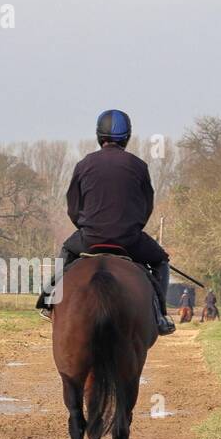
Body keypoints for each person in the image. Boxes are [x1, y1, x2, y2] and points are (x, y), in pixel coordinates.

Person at [38, 109, 176, 335]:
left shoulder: (84, 164)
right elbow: (146, 207)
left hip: (89, 238)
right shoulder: (139, 166)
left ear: (98, 135)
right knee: (161, 261)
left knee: (66, 250)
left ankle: (48, 299)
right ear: (127, 136)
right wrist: (133, 228)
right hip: (129, 239)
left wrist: (85, 228)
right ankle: (160, 314)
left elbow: (73, 207)